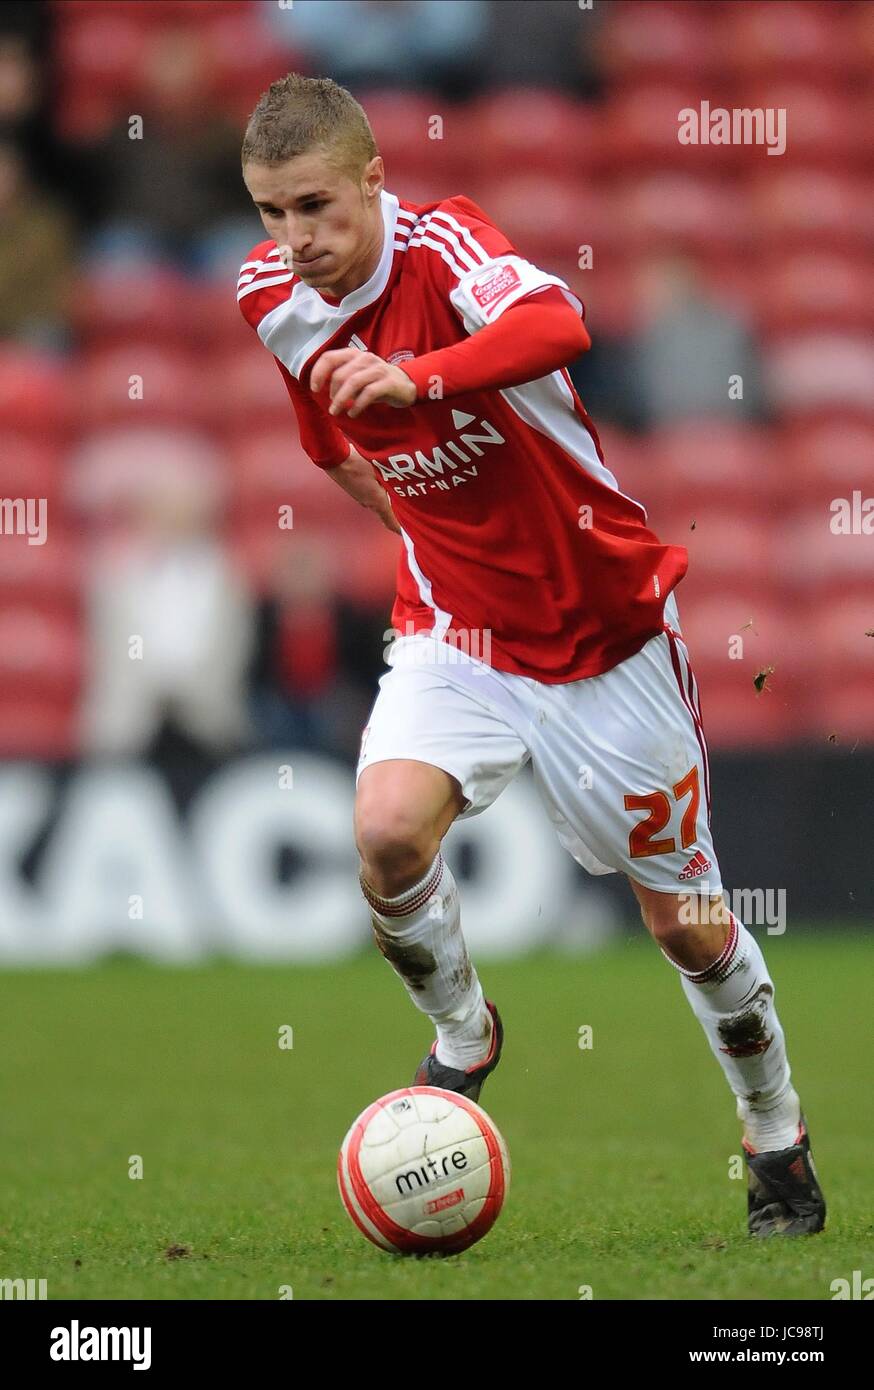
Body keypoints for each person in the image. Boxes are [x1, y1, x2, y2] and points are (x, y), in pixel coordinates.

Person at [237, 74, 825, 1239]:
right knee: (387, 832)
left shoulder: (446, 243)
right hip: (457, 631)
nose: (294, 240)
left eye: (314, 206)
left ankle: (776, 1140)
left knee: (687, 928)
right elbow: (329, 443)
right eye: (269, 212)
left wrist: (422, 376)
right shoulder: (269, 299)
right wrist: (436, 550)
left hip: (602, 636)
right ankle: (466, 1036)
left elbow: (561, 325)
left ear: (372, 181)